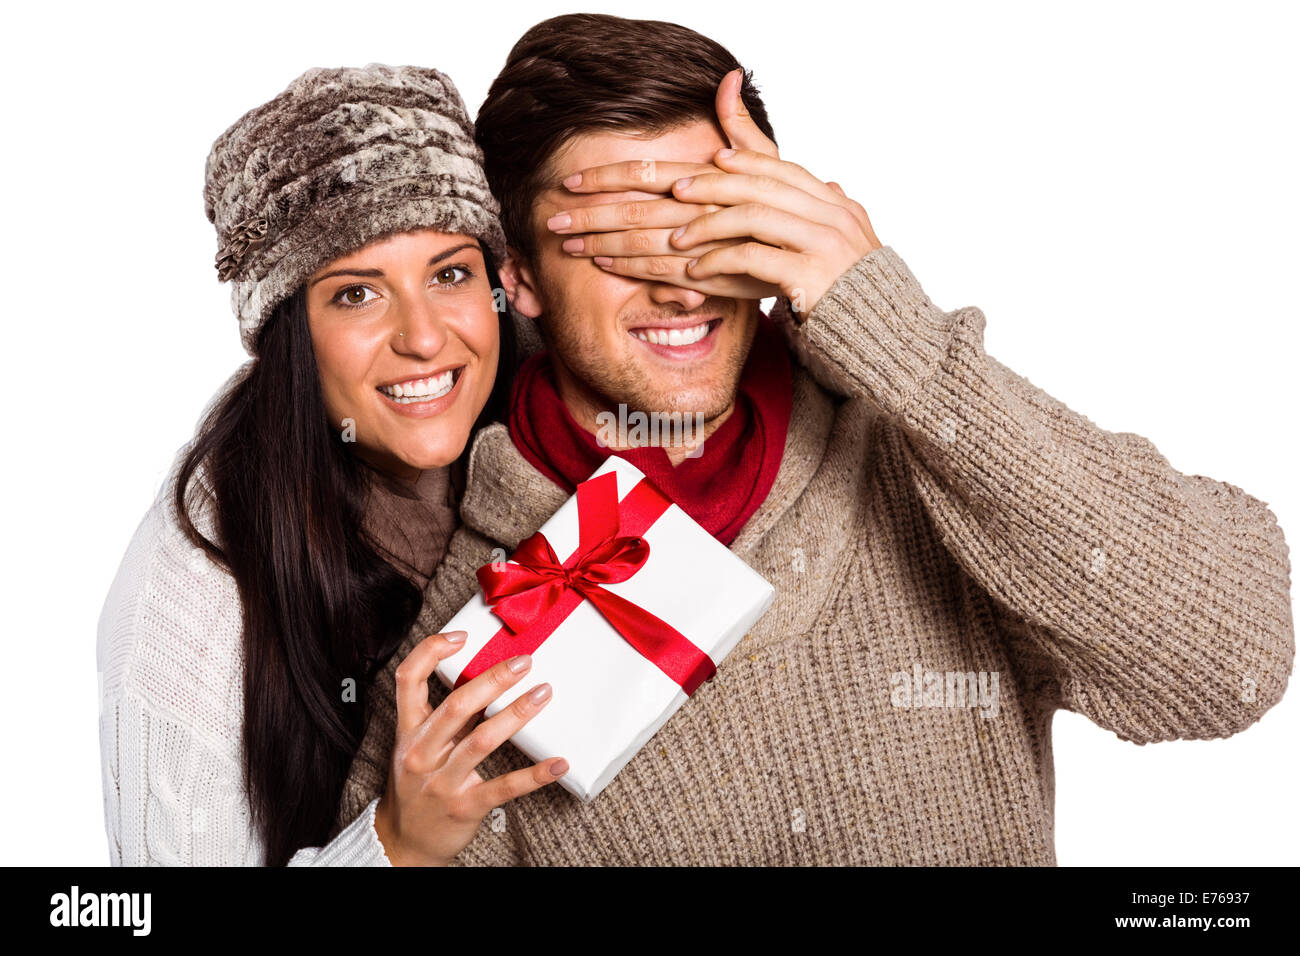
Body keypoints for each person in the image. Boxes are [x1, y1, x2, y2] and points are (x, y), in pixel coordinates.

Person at [340, 14, 1295, 866]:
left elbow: (1233, 668)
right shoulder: (462, 654)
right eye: (625, 241)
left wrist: (896, 333)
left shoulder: (931, 454)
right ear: (523, 280)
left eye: (712, 224)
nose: (680, 287)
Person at [96, 64, 571, 867]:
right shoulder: (189, 605)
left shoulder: (554, 411)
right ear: (291, 332)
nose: (424, 337)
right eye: (357, 294)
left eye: (450, 274)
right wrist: (394, 844)